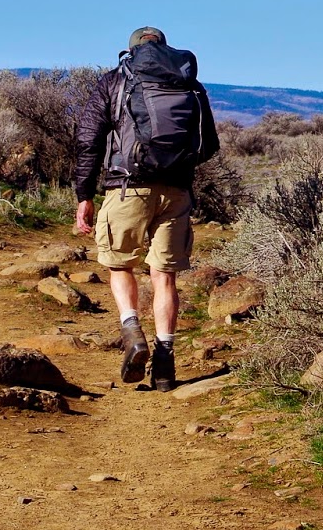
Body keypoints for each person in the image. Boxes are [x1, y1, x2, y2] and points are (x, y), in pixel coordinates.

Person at [73, 26, 219, 390]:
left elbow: (88, 138)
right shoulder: (189, 83)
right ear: (165, 49)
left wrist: (84, 194)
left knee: (119, 264)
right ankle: (165, 362)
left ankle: (132, 330)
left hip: (126, 187)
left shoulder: (115, 81)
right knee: (164, 276)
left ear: (131, 49)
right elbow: (209, 144)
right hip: (177, 191)